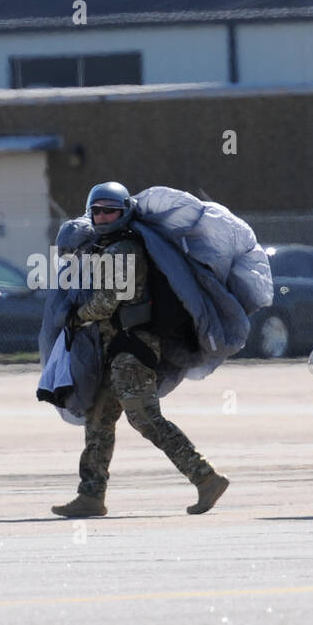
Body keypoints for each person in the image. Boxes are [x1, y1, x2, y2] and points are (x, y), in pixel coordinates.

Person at [50, 182, 230, 518]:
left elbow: (106, 303)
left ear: (124, 212)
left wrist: (76, 317)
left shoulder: (122, 251)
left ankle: (205, 477)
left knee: (145, 418)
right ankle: (91, 495)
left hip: (132, 349)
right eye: (98, 210)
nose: (103, 216)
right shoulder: (107, 248)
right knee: (98, 420)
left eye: (111, 210)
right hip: (116, 349)